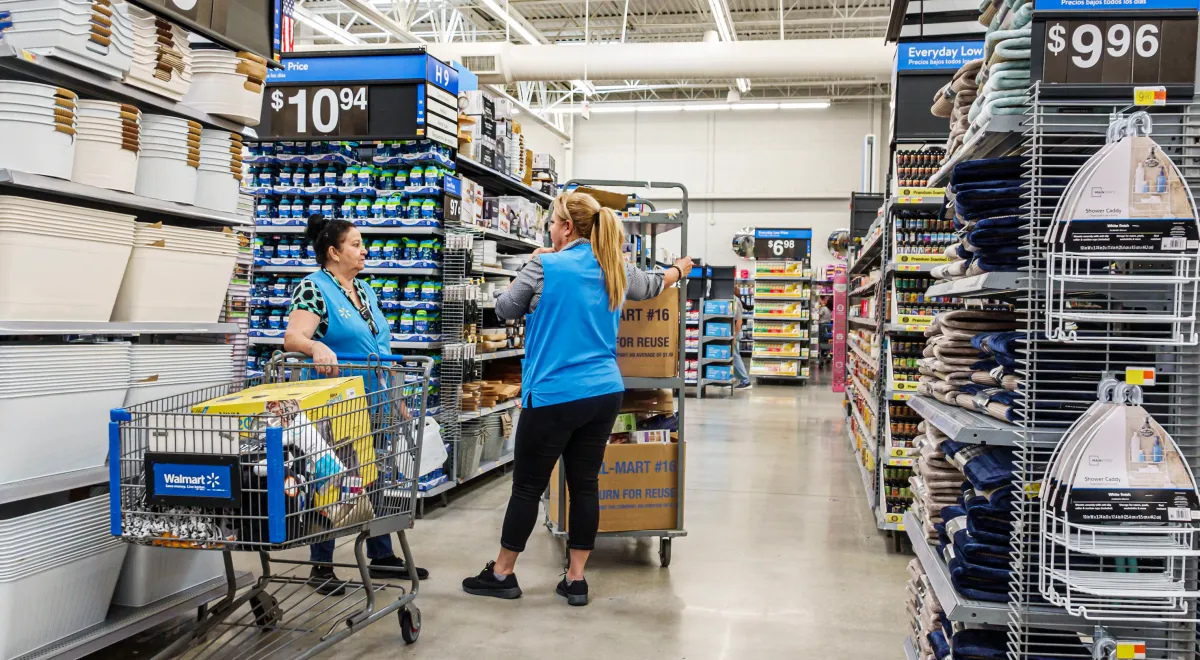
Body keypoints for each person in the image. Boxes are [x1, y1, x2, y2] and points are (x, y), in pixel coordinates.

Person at [461, 191, 693, 607]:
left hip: (552, 395)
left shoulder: (544, 265)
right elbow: (655, 285)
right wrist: (679, 268)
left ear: (566, 228)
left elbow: (505, 309)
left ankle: (502, 573)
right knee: (585, 485)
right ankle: (576, 579)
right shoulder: (615, 267)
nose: (548, 228)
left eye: (551, 222)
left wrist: (535, 262)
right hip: (603, 393)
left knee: (527, 488)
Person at [283, 214, 429, 596]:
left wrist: (397, 402)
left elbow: (381, 350)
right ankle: (321, 565)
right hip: (336, 406)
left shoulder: (364, 291)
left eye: (362, 244)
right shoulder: (314, 288)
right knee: (331, 481)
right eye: (355, 244)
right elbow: (292, 337)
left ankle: (381, 553)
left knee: (375, 479)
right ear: (333, 252)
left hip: (375, 401)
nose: (364, 250)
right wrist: (315, 345)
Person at [732, 296, 751, 388]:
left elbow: (739, 321)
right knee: (731, 357)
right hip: (732, 333)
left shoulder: (735, 300)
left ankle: (745, 380)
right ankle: (731, 378)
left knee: (735, 356)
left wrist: (734, 336)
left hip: (735, 333)